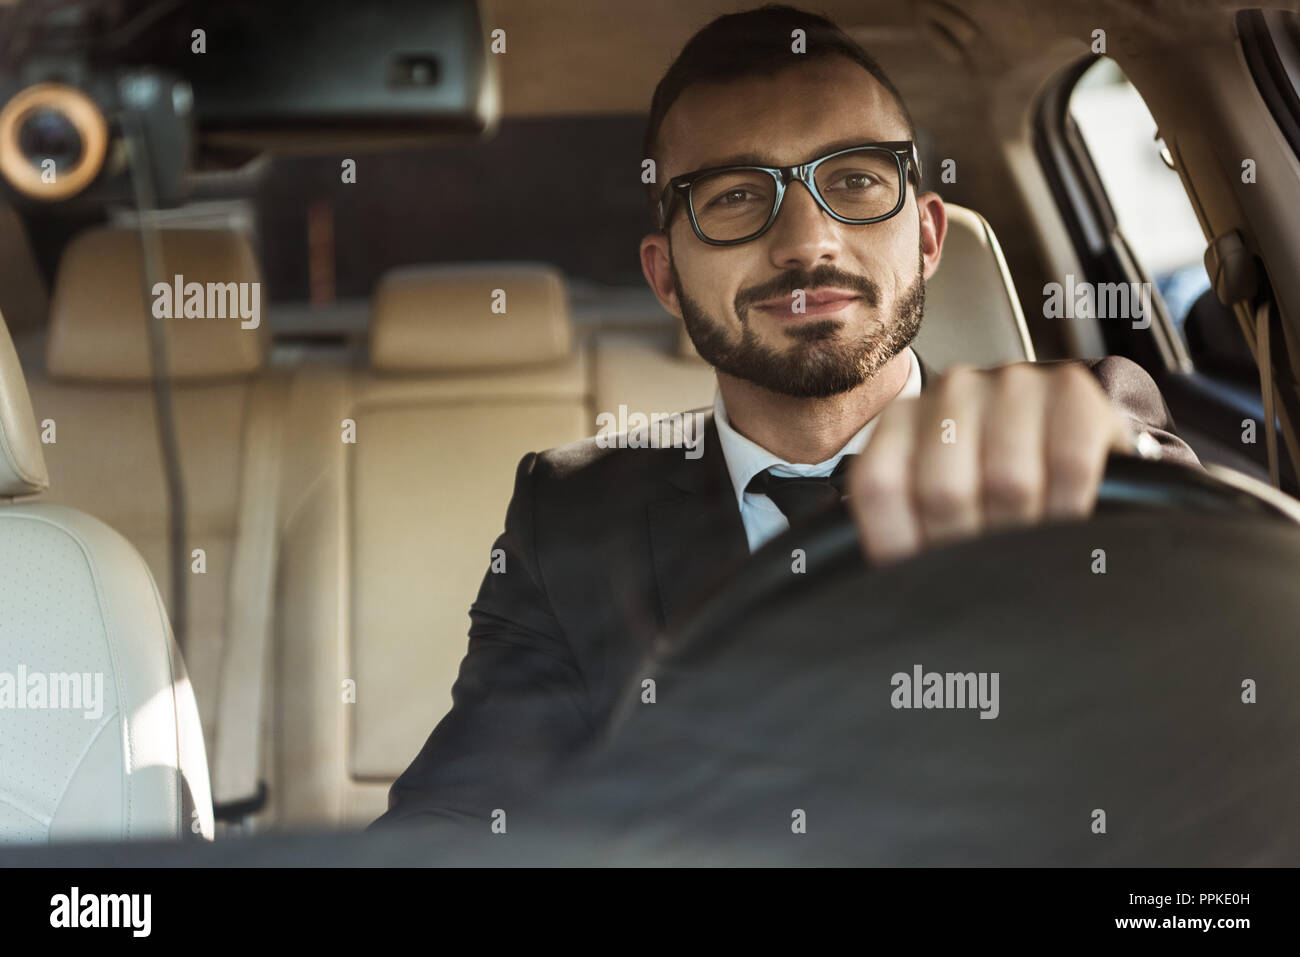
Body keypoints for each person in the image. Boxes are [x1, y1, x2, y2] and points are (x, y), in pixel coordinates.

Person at [373, 4, 1197, 829]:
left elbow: (1214, 676)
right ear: (666, 278)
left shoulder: (1077, 433)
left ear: (929, 236)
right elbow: (456, 817)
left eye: (856, 180)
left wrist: (1111, 485)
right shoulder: (569, 516)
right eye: (734, 197)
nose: (807, 241)